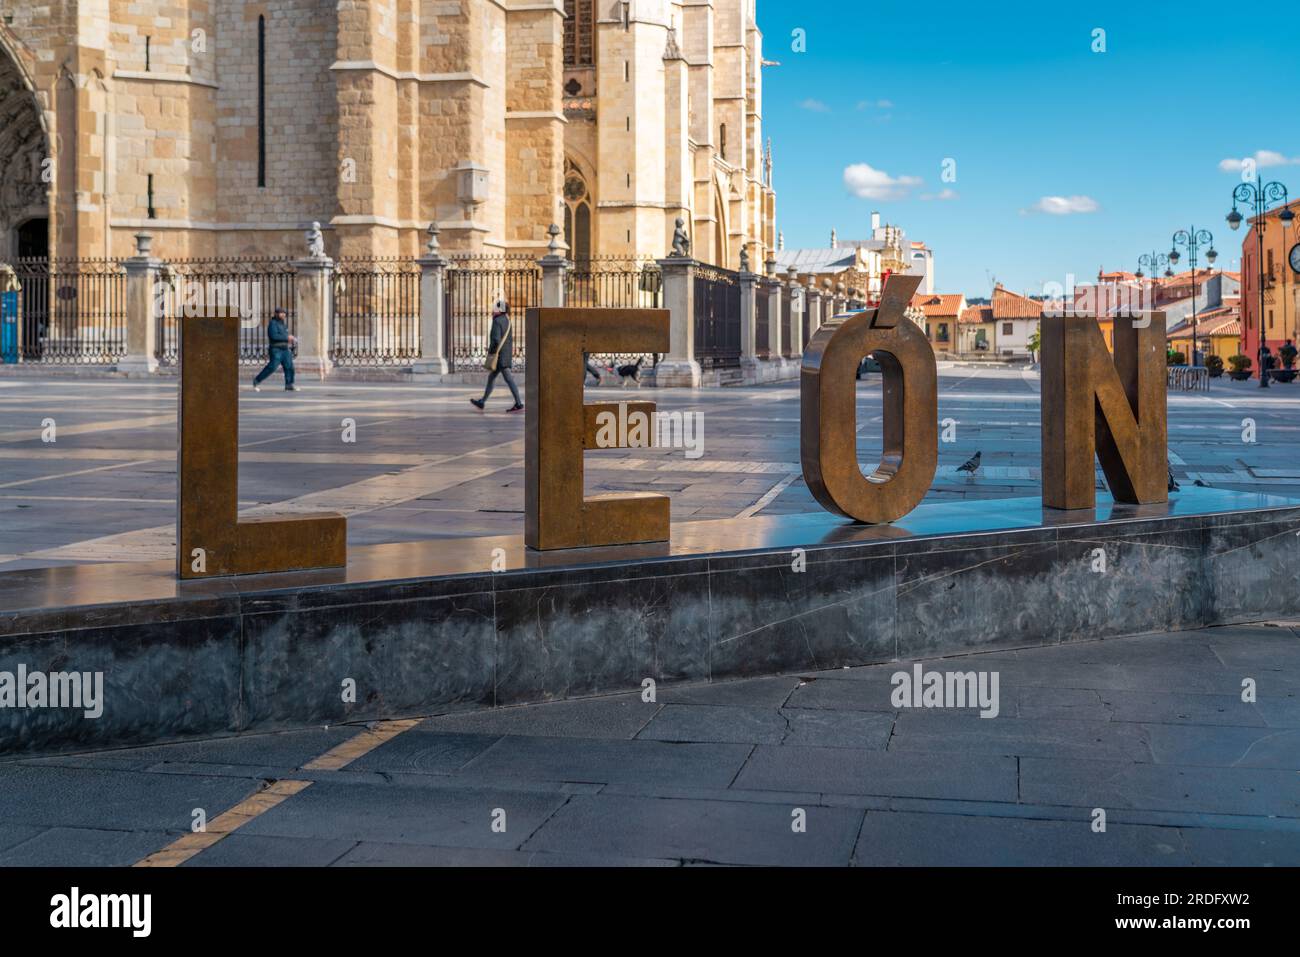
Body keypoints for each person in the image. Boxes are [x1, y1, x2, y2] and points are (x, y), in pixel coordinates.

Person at [470, 298, 523, 412]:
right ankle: (482, 401)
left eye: (495, 307)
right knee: (492, 377)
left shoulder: (497, 321)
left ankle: (518, 403)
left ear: (499, 309)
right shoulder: (507, 320)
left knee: (509, 379)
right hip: (505, 354)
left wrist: (491, 354)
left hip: (499, 356)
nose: (493, 309)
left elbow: (495, 340)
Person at [252, 307, 298, 391]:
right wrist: (287, 337)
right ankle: (257, 380)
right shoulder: (272, 324)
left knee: (290, 366)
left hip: (285, 349)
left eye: (284, 313)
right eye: (281, 313)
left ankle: (289, 384)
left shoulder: (283, 324)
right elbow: (274, 336)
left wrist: (290, 339)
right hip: (276, 349)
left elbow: (284, 336)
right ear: (276, 314)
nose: (283, 314)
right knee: (272, 367)